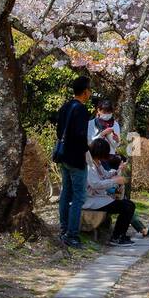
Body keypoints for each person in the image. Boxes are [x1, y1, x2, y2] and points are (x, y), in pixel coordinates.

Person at [53, 75, 92, 248]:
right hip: (77, 159)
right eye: (89, 90)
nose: (90, 93)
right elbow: (81, 136)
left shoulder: (65, 107)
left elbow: (59, 131)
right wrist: (86, 151)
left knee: (65, 194)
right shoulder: (82, 110)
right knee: (78, 197)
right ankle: (72, 235)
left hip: (63, 156)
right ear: (85, 92)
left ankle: (63, 230)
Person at [87, 138, 140, 246]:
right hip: (91, 201)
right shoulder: (89, 166)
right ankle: (117, 237)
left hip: (99, 199)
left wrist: (118, 170)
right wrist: (115, 181)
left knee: (128, 205)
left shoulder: (97, 163)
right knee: (127, 207)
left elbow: (105, 174)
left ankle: (119, 235)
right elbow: (95, 184)